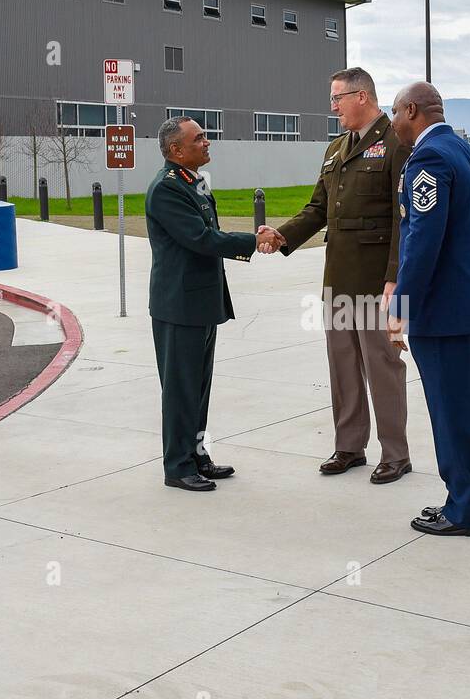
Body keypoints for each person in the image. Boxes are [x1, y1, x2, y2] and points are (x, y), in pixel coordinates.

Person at [256, 68, 413, 484]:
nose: (333, 106)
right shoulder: (336, 149)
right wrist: (282, 235)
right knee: (342, 366)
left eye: (338, 98)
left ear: (362, 96)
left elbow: (403, 219)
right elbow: (317, 209)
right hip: (339, 280)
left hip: (378, 283)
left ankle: (396, 453)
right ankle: (350, 447)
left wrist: (395, 278)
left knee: (383, 368)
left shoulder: (396, 142)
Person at [386, 82, 470, 536]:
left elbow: (422, 241)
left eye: (394, 113)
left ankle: (467, 509)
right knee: (465, 410)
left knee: (450, 412)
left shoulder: (429, 159)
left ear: (411, 110)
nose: (391, 122)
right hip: (469, 307)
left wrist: (401, 305)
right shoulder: (469, 154)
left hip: (443, 313)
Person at [146, 116, 262, 492]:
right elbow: (201, 238)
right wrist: (252, 241)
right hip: (178, 306)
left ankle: (197, 455)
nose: (207, 142)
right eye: (199, 138)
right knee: (180, 389)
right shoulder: (166, 189)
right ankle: (177, 466)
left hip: (199, 302)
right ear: (176, 150)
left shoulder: (192, 182)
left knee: (198, 388)